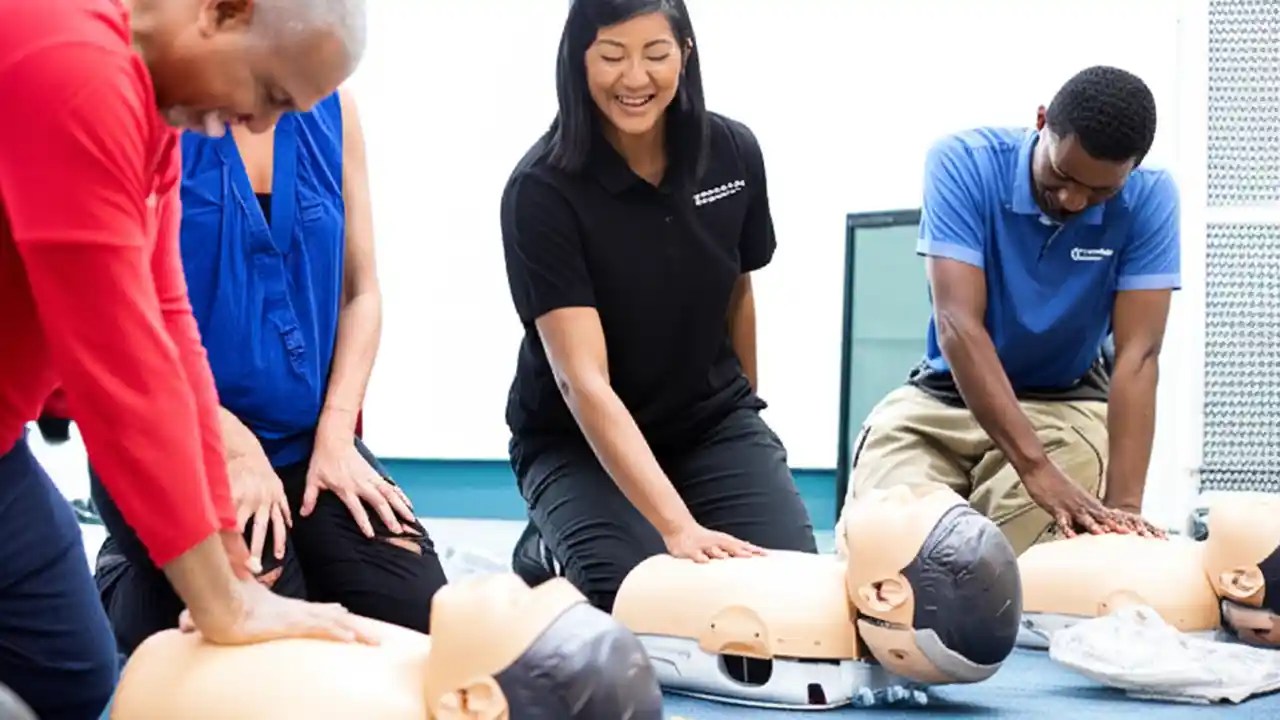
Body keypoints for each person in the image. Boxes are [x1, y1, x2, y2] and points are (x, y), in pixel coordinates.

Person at [0, 0, 375, 718]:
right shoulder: (73, 62)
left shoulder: (157, 117)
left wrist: (226, 554)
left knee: (72, 679)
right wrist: (222, 605)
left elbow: (170, 331)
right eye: (268, 93)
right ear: (224, 11)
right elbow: (116, 360)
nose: (261, 125)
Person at [90, 88, 450, 656]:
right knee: (273, 645)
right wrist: (235, 450)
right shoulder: (156, 117)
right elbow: (127, 326)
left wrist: (337, 435)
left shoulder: (334, 108)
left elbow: (362, 292)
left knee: (416, 611)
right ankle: (128, 572)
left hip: (309, 442)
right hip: (189, 441)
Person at [499, 0, 817, 613]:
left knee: (789, 596)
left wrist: (744, 419)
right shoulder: (540, 190)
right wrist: (679, 526)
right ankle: (549, 543)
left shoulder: (732, 152)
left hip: (706, 424)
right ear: (578, 59)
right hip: (576, 442)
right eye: (611, 56)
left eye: (656, 54)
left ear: (685, 54)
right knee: (644, 596)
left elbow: (739, 294)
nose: (635, 78)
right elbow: (581, 379)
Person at [835, 65, 1179, 556]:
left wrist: (1123, 513)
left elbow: (1138, 356)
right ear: (1041, 122)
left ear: (1132, 170)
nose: (1074, 200)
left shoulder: (1150, 197)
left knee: (1025, 554)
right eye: (1062, 176)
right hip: (943, 398)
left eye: (1101, 192)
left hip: (1063, 405)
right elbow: (957, 324)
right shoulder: (963, 162)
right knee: (883, 545)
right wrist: (1036, 469)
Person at [109, 574, 665, 720]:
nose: (508, 580)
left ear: (472, 703)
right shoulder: (442, 671)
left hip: (146, 682)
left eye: (518, 601)